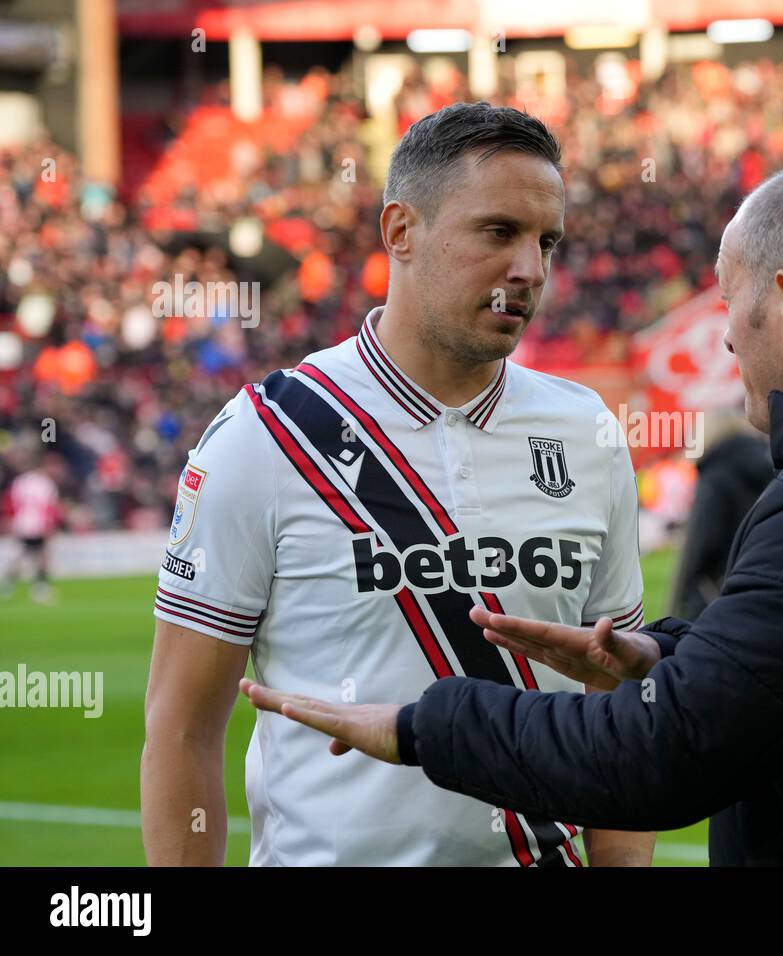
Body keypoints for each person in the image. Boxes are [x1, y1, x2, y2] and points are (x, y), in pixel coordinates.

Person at [242, 162, 783, 866]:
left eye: (729, 298)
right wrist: (670, 656)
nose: (722, 334)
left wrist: (420, 724)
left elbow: (665, 754)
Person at [142, 103, 655, 866]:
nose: (530, 270)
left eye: (547, 241)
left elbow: (615, 705)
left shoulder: (587, 432)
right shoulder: (264, 435)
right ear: (400, 232)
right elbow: (182, 729)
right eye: (498, 232)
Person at [668, 410, 773, 620]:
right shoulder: (770, 466)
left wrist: (677, 605)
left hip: (722, 594)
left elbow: (702, 543)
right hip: (766, 581)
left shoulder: (715, 475)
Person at [1, 449, 62, 605]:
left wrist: (10, 521)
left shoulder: (19, 481)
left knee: (24, 554)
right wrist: (51, 525)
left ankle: (9, 584)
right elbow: (49, 507)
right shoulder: (46, 483)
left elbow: (9, 504)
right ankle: (40, 587)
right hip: (38, 524)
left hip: (22, 523)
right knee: (42, 555)